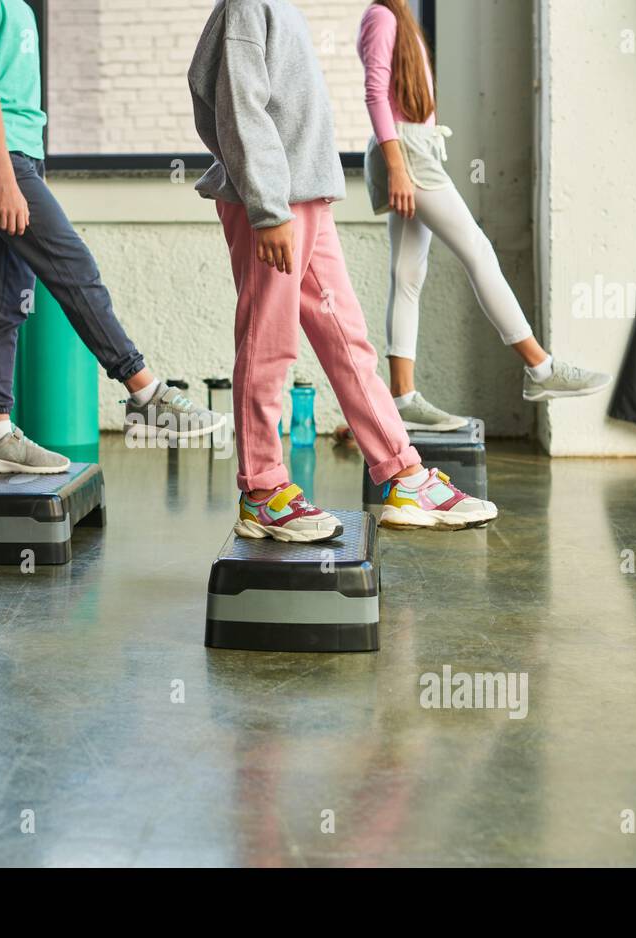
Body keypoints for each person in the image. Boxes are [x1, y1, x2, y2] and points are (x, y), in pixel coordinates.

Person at [189, 0, 498, 540]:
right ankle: (262, 491)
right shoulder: (247, 6)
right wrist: (269, 209)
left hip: (308, 199)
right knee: (269, 345)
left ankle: (404, 476)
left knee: (348, 343)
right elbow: (237, 109)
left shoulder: (281, 8)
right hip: (277, 207)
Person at [0, 0, 225, 475]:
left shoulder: (20, 7)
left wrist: (21, 171)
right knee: (75, 268)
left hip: (21, 158)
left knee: (8, 298)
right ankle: (144, 393)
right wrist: (6, 179)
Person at [360, 0, 611, 432]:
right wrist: (398, 167)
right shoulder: (381, 18)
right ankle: (540, 368)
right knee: (477, 251)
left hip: (415, 149)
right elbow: (375, 94)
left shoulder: (401, 19)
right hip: (408, 154)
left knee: (407, 276)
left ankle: (402, 396)